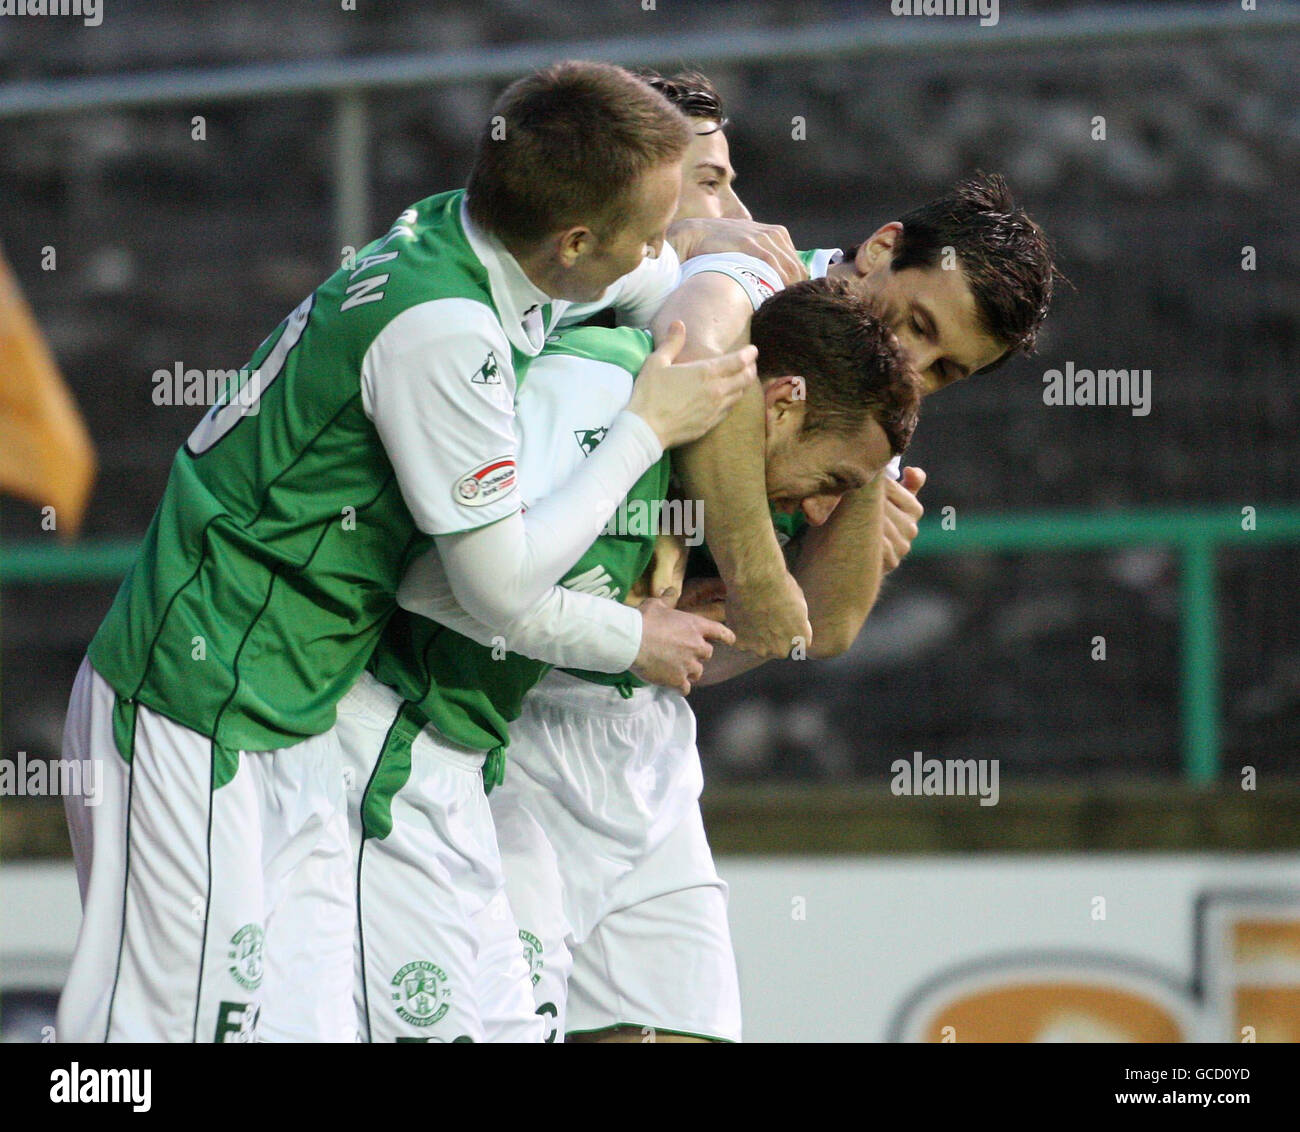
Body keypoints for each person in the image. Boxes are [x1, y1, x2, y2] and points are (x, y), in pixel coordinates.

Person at [56, 60, 771, 1043]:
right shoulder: (444, 332)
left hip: (289, 700)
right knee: (160, 1037)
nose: (664, 247)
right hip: (197, 691)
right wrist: (643, 431)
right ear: (575, 240)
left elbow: (683, 276)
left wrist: (760, 267)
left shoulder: (480, 233)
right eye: (649, 228)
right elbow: (498, 585)